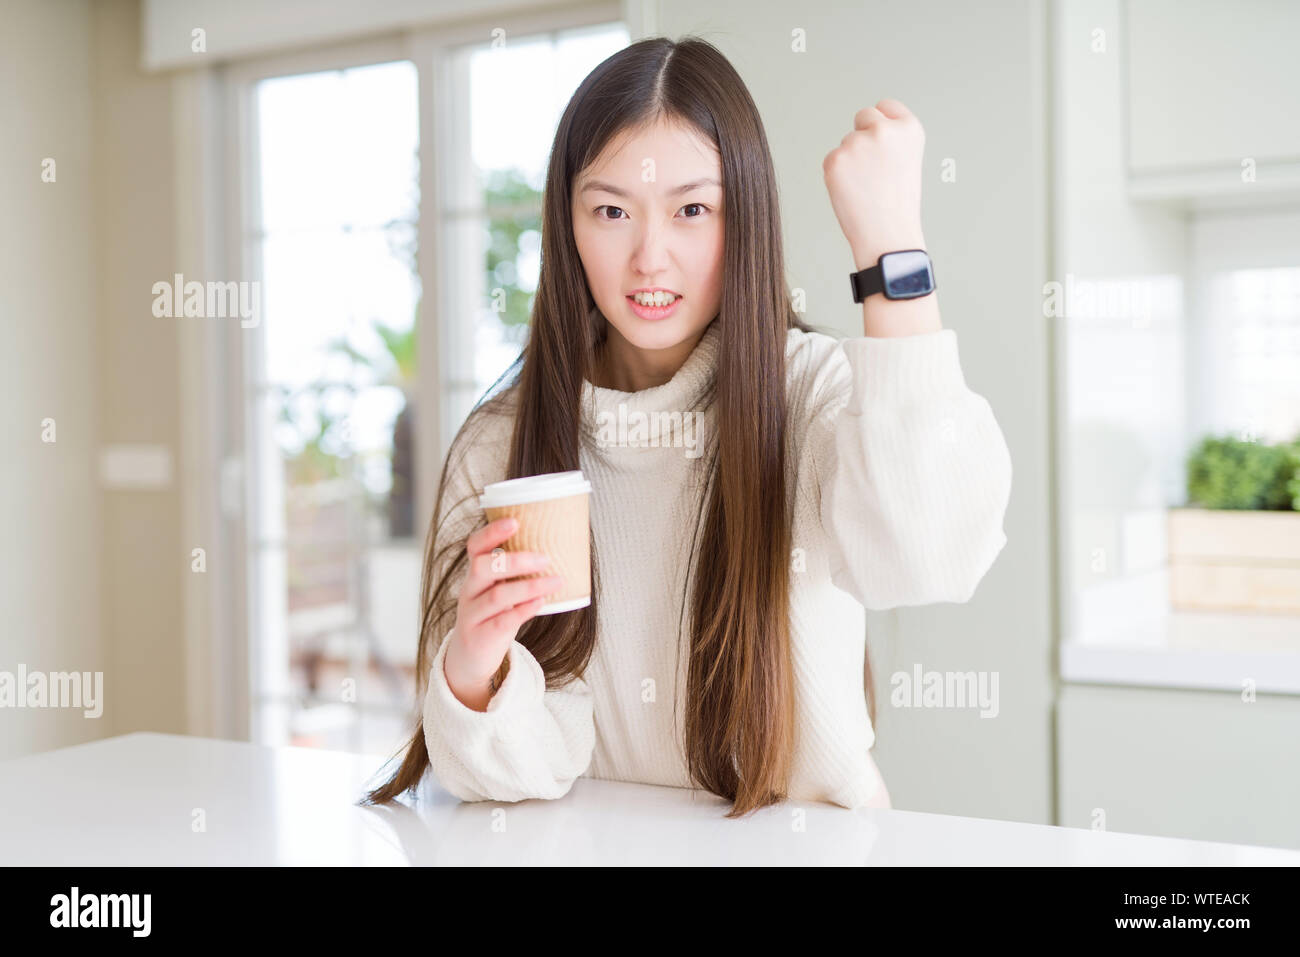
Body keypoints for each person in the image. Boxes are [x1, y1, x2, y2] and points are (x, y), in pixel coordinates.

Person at [363, 35, 1011, 818]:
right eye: (610, 210)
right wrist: (474, 666)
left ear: (744, 220)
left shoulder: (809, 392)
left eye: (693, 210)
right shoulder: (503, 441)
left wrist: (891, 247)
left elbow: (930, 558)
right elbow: (521, 768)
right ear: (566, 224)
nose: (650, 258)